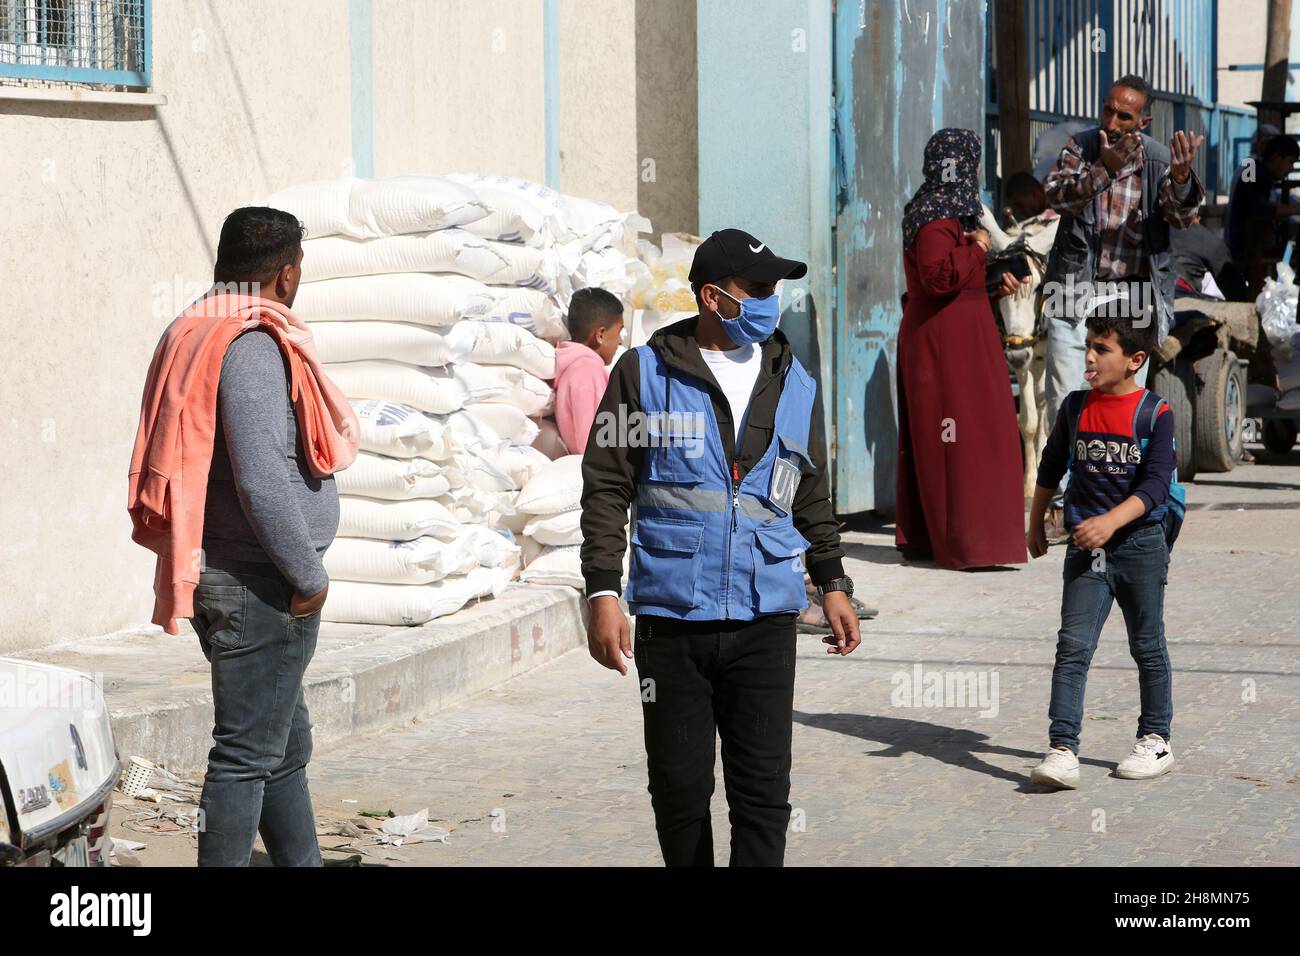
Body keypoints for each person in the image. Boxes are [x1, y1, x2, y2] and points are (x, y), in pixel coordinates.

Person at [580, 229, 861, 866]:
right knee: (680, 792)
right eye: (758, 289)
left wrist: (835, 582)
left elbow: (808, 492)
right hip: (672, 621)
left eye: (775, 289)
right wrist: (601, 592)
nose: (772, 301)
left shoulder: (794, 381)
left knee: (763, 796)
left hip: (766, 619)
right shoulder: (644, 372)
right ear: (713, 297)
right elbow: (605, 486)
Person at [128, 207, 359, 865]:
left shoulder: (193, 327)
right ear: (286, 275)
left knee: (281, 747)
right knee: (245, 754)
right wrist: (307, 577)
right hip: (262, 584)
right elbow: (261, 479)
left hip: (231, 573)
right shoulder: (251, 345)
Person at [1040, 74, 1204, 541]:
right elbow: (1056, 196)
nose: (1112, 121)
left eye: (1124, 115)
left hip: (1135, 292)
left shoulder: (1156, 158)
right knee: (1066, 390)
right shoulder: (1082, 147)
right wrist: (1103, 169)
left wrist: (1179, 178)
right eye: (1108, 110)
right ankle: (1061, 501)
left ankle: (1126, 503)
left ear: (1144, 120)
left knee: (1129, 401)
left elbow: (1183, 217)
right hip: (1077, 286)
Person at [1026, 313, 1177, 789]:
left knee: (1147, 645)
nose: (1089, 356)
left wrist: (1110, 522)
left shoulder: (1156, 413)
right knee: (1072, 647)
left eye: (1102, 349)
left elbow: (1155, 485)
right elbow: (1050, 466)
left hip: (1141, 545)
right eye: (1088, 345)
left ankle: (1155, 739)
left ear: (1135, 361)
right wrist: (1033, 523)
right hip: (1085, 551)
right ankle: (1062, 748)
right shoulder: (1074, 408)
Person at [894, 127, 1029, 570]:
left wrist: (992, 279)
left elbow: (955, 278)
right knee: (958, 438)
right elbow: (936, 278)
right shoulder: (935, 215)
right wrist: (981, 249)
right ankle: (964, 544)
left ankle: (975, 540)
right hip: (944, 346)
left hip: (962, 338)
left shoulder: (954, 215)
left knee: (976, 435)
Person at [554, 287, 624, 454]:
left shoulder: (575, 365)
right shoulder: (587, 370)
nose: (620, 341)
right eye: (619, 331)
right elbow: (591, 442)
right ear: (600, 334)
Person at [1225, 133, 1300, 284]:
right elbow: (1255, 208)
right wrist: (1294, 209)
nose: (1291, 168)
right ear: (1277, 157)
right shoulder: (1253, 168)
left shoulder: (1255, 169)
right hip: (1245, 250)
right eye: (1290, 162)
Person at [1170, 215, 1250, 302]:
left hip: (1159, 294)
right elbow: (1238, 295)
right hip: (1176, 297)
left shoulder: (1155, 227)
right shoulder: (1205, 239)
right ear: (1197, 218)